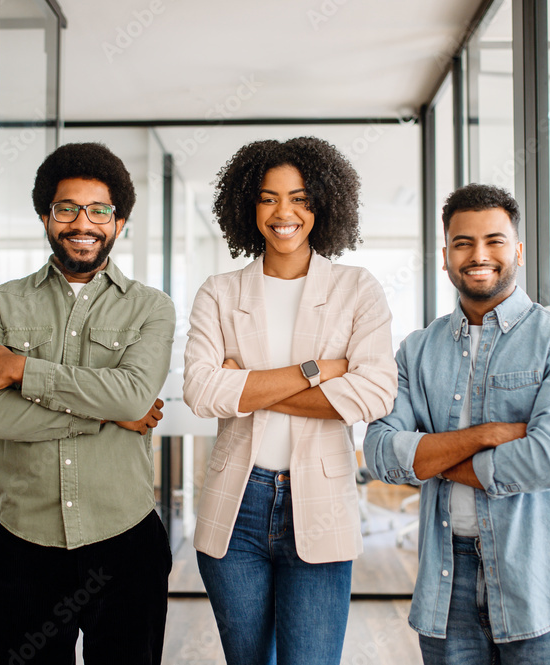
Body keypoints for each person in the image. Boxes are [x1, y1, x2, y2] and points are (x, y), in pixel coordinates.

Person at [364, 183, 550, 664]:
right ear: (446, 255)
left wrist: (433, 457)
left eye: (494, 240)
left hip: (544, 583)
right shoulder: (416, 349)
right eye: (463, 243)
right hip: (446, 587)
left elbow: (549, 460)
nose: (479, 254)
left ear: (516, 249)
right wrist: (487, 437)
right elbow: (379, 454)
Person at [183, 136, 398, 664]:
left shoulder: (357, 289)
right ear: (246, 205)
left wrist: (250, 385)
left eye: (300, 198)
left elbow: (374, 392)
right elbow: (202, 391)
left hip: (320, 503)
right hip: (238, 507)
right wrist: (316, 373)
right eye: (268, 197)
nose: (284, 212)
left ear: (323, 204)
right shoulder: (219, 292)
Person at [0, 142, 175, 665]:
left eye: (99, 210)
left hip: (125, 541)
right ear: (45, 217)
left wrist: (20, 370)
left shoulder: (152, 307)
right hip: (25, 545)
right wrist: (113, 415)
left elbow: (134, 394)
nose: (84, 223)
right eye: (67, 209)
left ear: (119, 222)